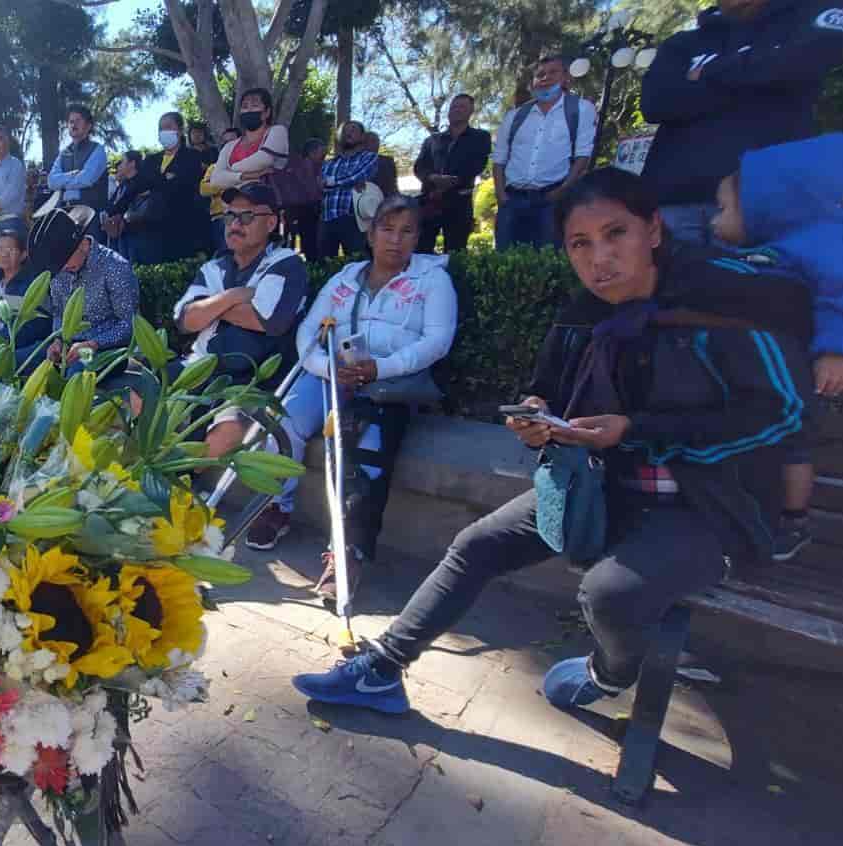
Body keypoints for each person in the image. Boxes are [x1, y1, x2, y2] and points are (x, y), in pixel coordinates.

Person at [292, 167, 811, 716]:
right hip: (601, 482)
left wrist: (634, 430)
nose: (598, 259)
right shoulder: (583, 314)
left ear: (653, 230)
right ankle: (381, 670)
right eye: (579, 244)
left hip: (707, 503)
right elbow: (545, 390)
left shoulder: (724, 304)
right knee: (476, 545)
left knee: (609, 594)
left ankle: (609, 674)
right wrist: (537, 415)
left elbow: (782, 416)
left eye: (616, 234)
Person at [247, 194, 457, 591]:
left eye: (407, 231)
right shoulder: (344, 278)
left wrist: (381, 367)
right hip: (332, 375)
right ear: (371, 232)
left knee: (367, 452)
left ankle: (347, 551)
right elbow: (308, 331)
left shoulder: (433, 280)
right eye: (387, 229)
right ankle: (277, 506)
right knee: (282, 424)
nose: (396, 240)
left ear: (418, 238)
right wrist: (331, 369)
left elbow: (437, 341)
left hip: (387, 384)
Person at [710, 133, 843, 559]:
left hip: (799, 377)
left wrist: (838, 350)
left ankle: (792, 521)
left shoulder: (826, 247)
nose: (714, 219)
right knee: (761, 450)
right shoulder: (773, 249)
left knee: (793, 449)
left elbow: (841, 297)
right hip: (758, 380)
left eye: (723, 209)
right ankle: (751, 517)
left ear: (767, 204)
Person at [639, 0, 843, 246]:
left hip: (762, 206)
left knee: (764, 283)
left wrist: (708, 73)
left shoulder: (805, 16)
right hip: (673, 207)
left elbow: (807, 58)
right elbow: (655, 103)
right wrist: (759, 78)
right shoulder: (681, 43)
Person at [171, 183, 310, 458]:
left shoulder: (286, 264)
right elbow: (185, 319)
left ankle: (183, 486)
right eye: (230, 216)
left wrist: (210, 305)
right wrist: (234, 296)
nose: (235, 224)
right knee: (137, 389)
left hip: (251, 382)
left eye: (246, 217)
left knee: (225, 434)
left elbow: (266, 320)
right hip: (200, 368)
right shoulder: (214, 266)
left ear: (271, 222)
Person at [492, 55, 598, 250]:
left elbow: (583, 155)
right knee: (505, 262)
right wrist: (501, 195)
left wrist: (564, 189)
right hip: (513, 201)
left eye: (553, 72)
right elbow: (499, 158)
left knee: (549, 263)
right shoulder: (515, 115)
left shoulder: (581, 109)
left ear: (566, 78)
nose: (545, 78)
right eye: (540, 74)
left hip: (553, 200)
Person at [27, 207, 139, 374]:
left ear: (82, 245)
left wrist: (93, 344)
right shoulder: (60, 271)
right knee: (26, 360)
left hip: (105, 350)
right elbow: (59, 313)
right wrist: (58, 341)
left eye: (65, 261)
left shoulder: (114, 267)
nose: (63, 268)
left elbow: (130, 325)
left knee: (77, 371)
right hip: (70, 346)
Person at [413, 93, 493, 253]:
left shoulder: (480, 137)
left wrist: (453, 181)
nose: (456, 110)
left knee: (455, 253)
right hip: (429, 202)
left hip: (459, 202)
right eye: (453, 107)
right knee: (420, 251)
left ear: (471, 111)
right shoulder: (433, 140)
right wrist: (432, 179)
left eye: (462, 106)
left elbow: (477, 164)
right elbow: (419, 167)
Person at [131, 111, 209, 265]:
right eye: (161, 128)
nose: (163, 131)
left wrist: (156, 183)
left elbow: (185, 185)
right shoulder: (151, 159)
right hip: (152, 227)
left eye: (168, 126)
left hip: (184, 226)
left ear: (180, 131)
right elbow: (138, 186)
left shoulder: (193, 156)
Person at [0, 216, 46, 356]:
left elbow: (33, 327)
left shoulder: (29, 285)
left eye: (10, 250)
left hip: (12, 350)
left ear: (23, 255)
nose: (3, 254)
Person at [317, 120, 380, 259]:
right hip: (327, 218)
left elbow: (357, 176)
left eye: (353, 130)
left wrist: (331, 182)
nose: (348, 133)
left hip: (353, 219)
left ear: (362, 137)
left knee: (357, 263)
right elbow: (320, 186)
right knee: (324, 264)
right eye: (345, 131)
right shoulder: (330, 163)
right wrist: (328, 184)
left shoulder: (369, 157)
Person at [209, 89, 290, 194]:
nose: (249, 110)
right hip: (234, 207)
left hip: (270, 206)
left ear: (267, 112)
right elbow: (215, 180)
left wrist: (231, 171)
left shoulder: (278, 131)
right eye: (245, 107)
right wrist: (247, 176)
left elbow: (264, 160)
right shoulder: (229, 146)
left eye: (255, 105)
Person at [46, 105, 109, 212]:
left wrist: (61, 181)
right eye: (71, 121)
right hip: (64, 211)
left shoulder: (97, 150)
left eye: (78, 121)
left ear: (88, 126)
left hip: (90, 213)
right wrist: (72, 175)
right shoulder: (63, 153)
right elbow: (51, 182)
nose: (73, 125)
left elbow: (86, 179)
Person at [200, 127, 241, 254]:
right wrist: (229, 182)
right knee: (224, 257)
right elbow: (203, 189)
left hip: (244, 218)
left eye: (232, 141)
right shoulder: (214, 167)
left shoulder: (250, 164)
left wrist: (218, 182)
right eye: (225, 142)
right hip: (220, 219)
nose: (228, 145)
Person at [101, 151, 146, 261]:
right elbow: (112, 203)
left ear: (132, 164)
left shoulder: (140, 182)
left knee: (131, 264)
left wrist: (111, 214)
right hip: (119, 231)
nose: (119, 165)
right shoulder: (124, 183)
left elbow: (124, 202)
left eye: (122, 162)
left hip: (134, 232)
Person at [290, 138, 328, 258]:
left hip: (304, 209)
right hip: (309, 209)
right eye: (322, 152)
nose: (324, 156)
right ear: (312, 152)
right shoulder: (307, 166)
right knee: (312, 243)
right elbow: (311, 189)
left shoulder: (307, 166)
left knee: (309, 243)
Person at [364, 133, 400, 197]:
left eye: (376, 141)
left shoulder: (388, 161)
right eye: (370, 141)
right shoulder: (355, 162)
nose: (376, 144)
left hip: (386, 200)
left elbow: (393, 185)